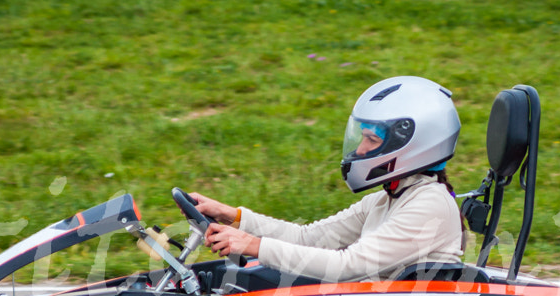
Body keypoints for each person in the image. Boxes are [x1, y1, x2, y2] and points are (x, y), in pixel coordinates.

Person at [192, 75, 464, 283]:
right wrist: (232, 215)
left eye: (372, 140)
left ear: (411, 146)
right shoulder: (385, 200)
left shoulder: (430, 205)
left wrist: (253, 245)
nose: (360, 150)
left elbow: (347, 266)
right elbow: (307, 238)